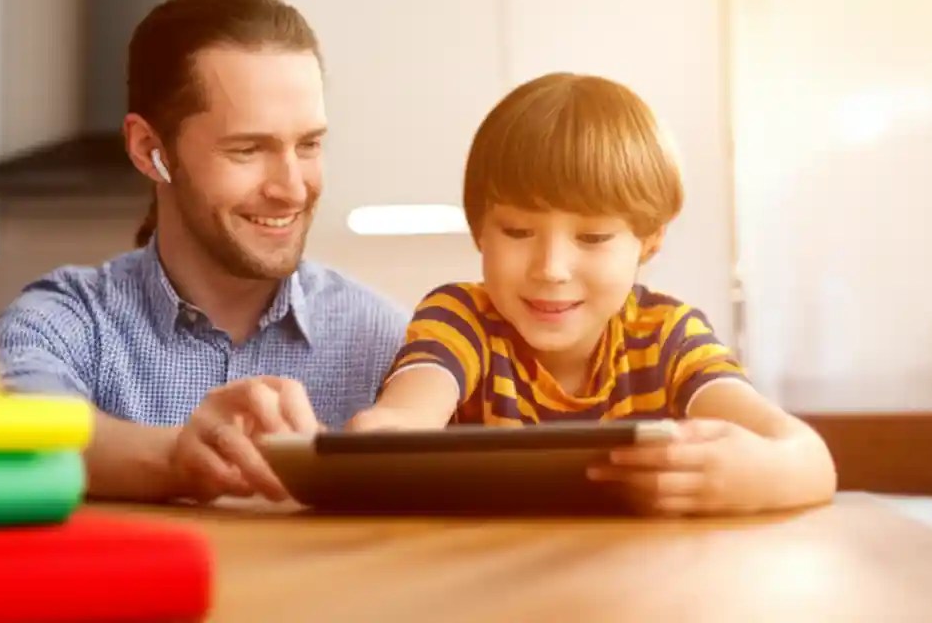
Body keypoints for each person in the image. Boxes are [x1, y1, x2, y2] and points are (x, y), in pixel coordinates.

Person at [0, 0, 408, 504]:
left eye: (309, 144)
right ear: (150, 150)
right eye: (248, 149)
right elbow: (24, 434)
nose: (293, 188)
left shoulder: (391, 344)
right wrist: (176, 459)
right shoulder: (64, 323)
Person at [347, 72, 837, 515]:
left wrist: (757, 479)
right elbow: (401, 425)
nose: (551, 269)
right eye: (518, 231)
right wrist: (381, 436)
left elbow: (808, 457)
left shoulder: (668, 336)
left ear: (650, 240)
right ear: (479, 231)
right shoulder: (461, 320)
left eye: (594, 238)